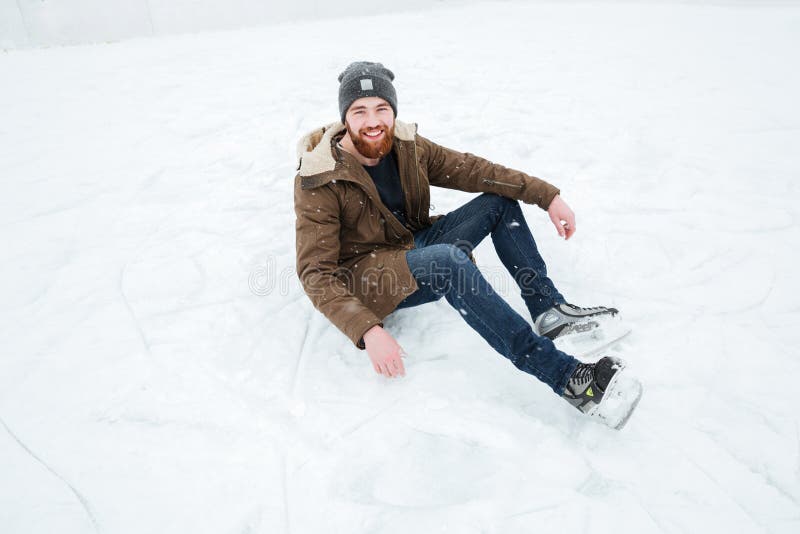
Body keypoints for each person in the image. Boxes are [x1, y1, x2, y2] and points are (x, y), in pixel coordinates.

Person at [293, 61, 641, 429]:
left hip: (409, 247)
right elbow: (315, 273)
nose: (373, 120)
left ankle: (548, 309)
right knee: (447, 261)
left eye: (382, 108)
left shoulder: (409, 148)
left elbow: (475, 170)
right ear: (344, 118)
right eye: (359, 111)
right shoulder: (319, 177)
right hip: (367, 277)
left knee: (497, 201)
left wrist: (547, 196)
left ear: (393, 111)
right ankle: (570, 380)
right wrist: (366, 328)